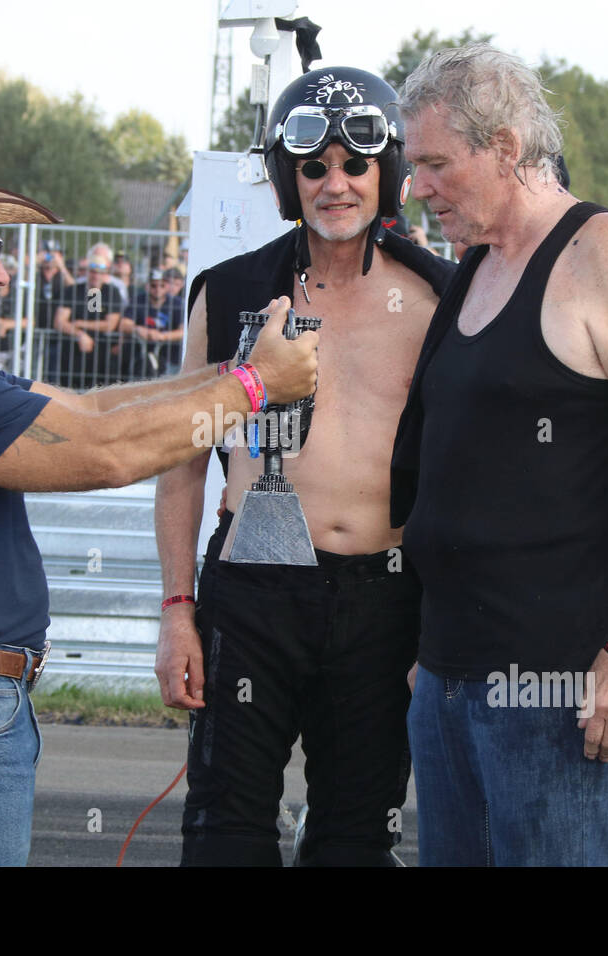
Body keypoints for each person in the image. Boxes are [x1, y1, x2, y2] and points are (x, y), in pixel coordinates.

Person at [0, 144, 316, 867]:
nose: (4, 269)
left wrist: (229, 373)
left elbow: (85, 407)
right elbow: (105, 452)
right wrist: (255, 389)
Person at [392, 44, 608, 866]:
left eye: (433, 163)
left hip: (553, 686)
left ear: (504, 147)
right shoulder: (476, 267)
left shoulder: (607, 253)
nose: (415, 186)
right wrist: (429, 660)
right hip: (448, 675)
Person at [154, 66, 452, 866]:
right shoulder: (228, 292)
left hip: (385, 596)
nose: (335, 185)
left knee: (356, 837)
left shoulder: (440, 299)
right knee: (224, 829)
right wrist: (178, 611)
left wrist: (443, 629)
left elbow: (467, 475)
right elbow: (182, 466)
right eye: (314, 168)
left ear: (384, 171)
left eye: (354, 166)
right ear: (289, 179)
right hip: (251, 590)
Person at [52, 258, 124, 387]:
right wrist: (80, 334)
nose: (96, 275)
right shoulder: (72, 291)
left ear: (106, 274)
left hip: (102, 355)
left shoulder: (112, 292)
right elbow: (59, 322)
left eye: (100, 272)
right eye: (92, 271)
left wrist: (80, 324)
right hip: (72, 354)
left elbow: (110, 325)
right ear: (86, 272)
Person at [119, 269, 183, 378]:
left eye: (162, 285)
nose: (157, 289)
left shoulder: (177, 303)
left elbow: (183, 331)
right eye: (154, 285)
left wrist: (163, 336)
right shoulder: (138, 300)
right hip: (140, 353)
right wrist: (138, 329)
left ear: (167, 286)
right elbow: (124, 324)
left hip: (167, 354)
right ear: (147, 286)